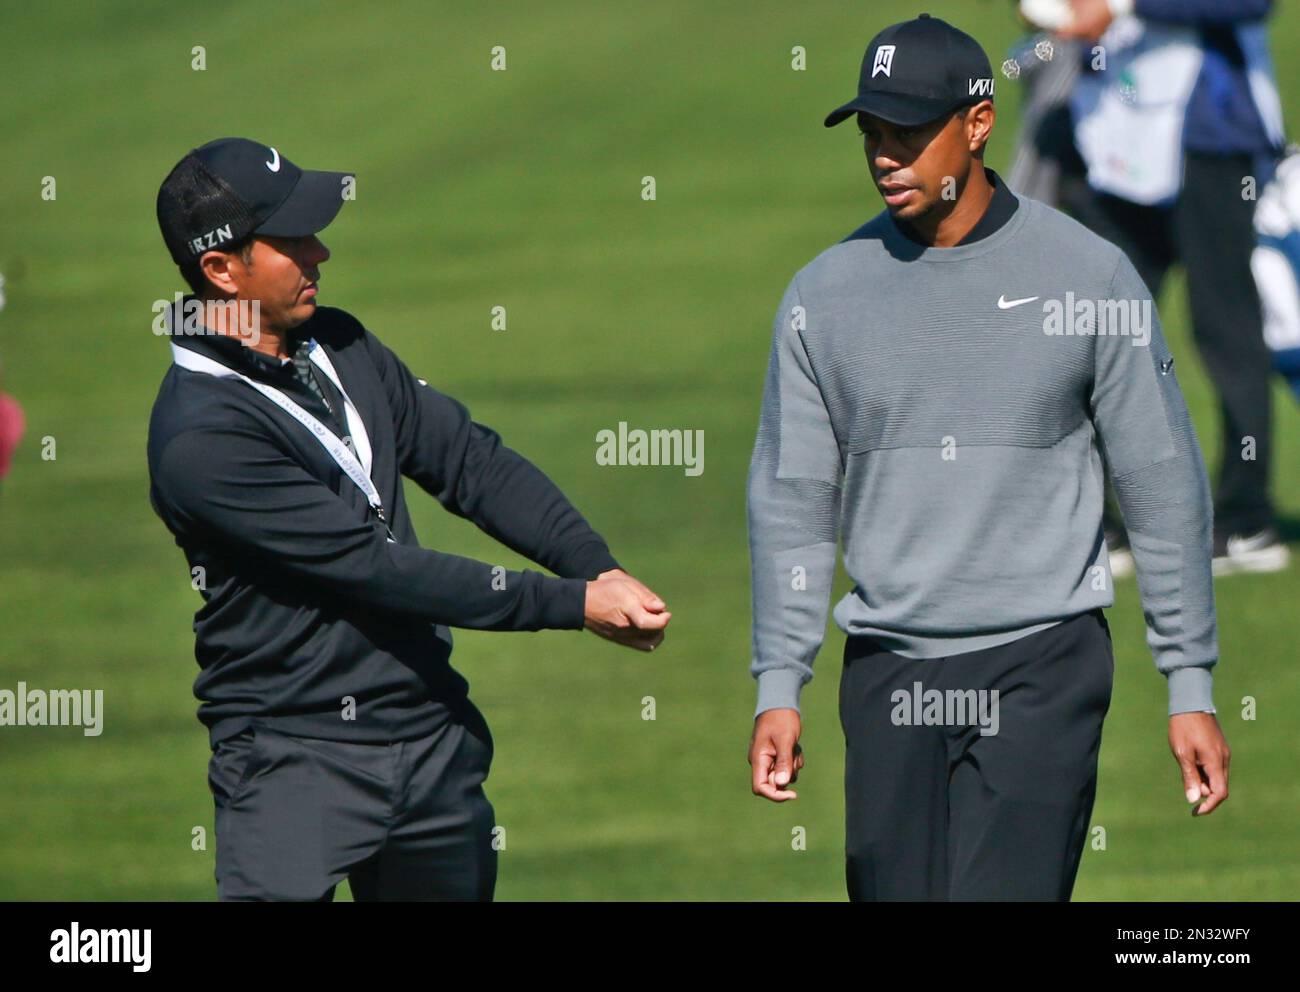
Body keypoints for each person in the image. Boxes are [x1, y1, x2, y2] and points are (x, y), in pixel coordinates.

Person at [745, 15, 1229, 901]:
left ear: (975, 124)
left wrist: (1188, 681)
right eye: (872, 134)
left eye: (908, 132)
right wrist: (780, 682)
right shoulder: (823, 295)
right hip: (887, 675)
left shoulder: (1092, 278)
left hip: (1041, 667)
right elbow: (794, 502)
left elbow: (1161, 484)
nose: (885, 156)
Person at [147, 137, 670, 901]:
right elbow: (373, 568)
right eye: (292, 241)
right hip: (292, 759)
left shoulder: (341, 343)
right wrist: (570, 605)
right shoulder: (202, 438)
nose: (319, 252)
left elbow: (468, 462)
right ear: (222, 271)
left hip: (427, 739)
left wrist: (593, 565)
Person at [1061, 0, 1289, 576]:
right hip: (1110, 128)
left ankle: (1246, 518)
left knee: (1226, 327)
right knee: (1098, 331)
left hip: (1211, 132)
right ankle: (1099, 522)